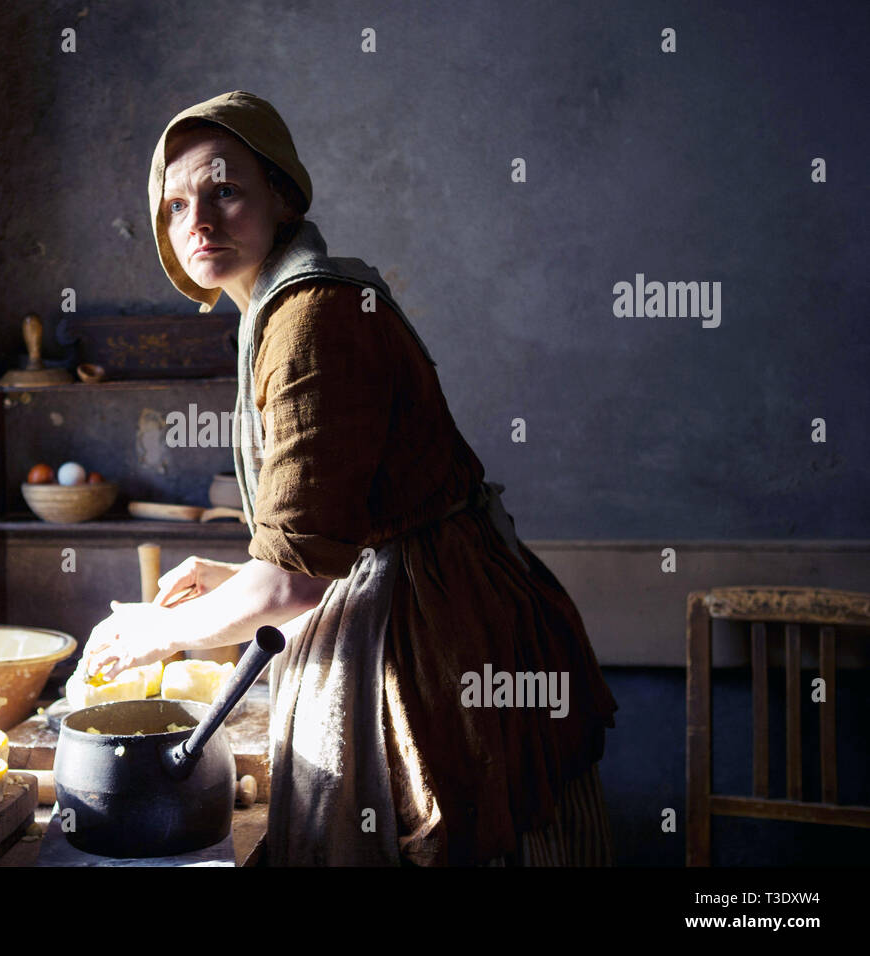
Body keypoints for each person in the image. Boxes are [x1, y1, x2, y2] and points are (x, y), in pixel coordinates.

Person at [81, 90, 618, 866]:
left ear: (281, 196)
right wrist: (243, 574)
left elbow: (296, 584)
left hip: (437, 632)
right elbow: (346, 536)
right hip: (432, 594)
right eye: (175, 205)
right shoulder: (282, 308)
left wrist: (151, 632)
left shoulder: (311, 320)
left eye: (225, 191)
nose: (197, 221)